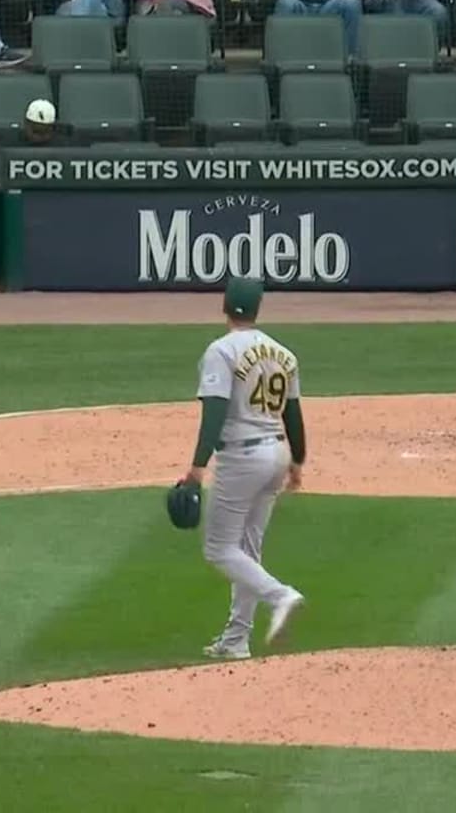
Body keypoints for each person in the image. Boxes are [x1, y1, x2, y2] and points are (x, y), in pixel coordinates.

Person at [188, 277, 308, 660]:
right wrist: (298, 461)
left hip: (242, 458)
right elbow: (293, 414)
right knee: (247, 551)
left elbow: (215, 410)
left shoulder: (221, 351)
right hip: (277, 454)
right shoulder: (284, 354)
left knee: (219, 549)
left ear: (225, 306)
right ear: (258, 309)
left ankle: (281, 595)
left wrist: (197, 467)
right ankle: (236, 639)